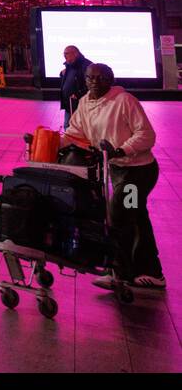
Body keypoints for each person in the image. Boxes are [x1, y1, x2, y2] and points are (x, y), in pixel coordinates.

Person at [63, 62, 164, 290]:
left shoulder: (125, 101)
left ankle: (122, 272)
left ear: (111, 79)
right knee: (134, 216)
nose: (95, 82)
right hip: (116, 170)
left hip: (137, 172)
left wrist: (121, 150)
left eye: (101, 77)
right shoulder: (85, 103)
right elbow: (74, 133)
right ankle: (147, 271)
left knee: (120, 214)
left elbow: (146, 134)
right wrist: (49, 142)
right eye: (90, 77)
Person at [58, 44, 90, 129]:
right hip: (69, 103)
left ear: (75, 53)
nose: (64, 56)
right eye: (63, 54)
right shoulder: (70, 64)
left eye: (66, 53)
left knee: (76, 127)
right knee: (68, 126)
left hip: (79, 103)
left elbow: (90, 85)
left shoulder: (86, 66)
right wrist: (62, 74)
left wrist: (78, 94)